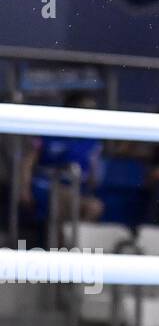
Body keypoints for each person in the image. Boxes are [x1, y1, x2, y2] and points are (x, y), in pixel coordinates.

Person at [19, 91, 105, 244]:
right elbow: (28, 163)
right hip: (45, 186)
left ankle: (75, 245)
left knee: (94, 207)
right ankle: (58, 250)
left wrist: (91, 181)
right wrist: (24, 189)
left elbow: (93, 172)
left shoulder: (92, 137)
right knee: (59, 204)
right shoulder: (50, 131)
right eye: (84, 109)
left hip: (74, 188)